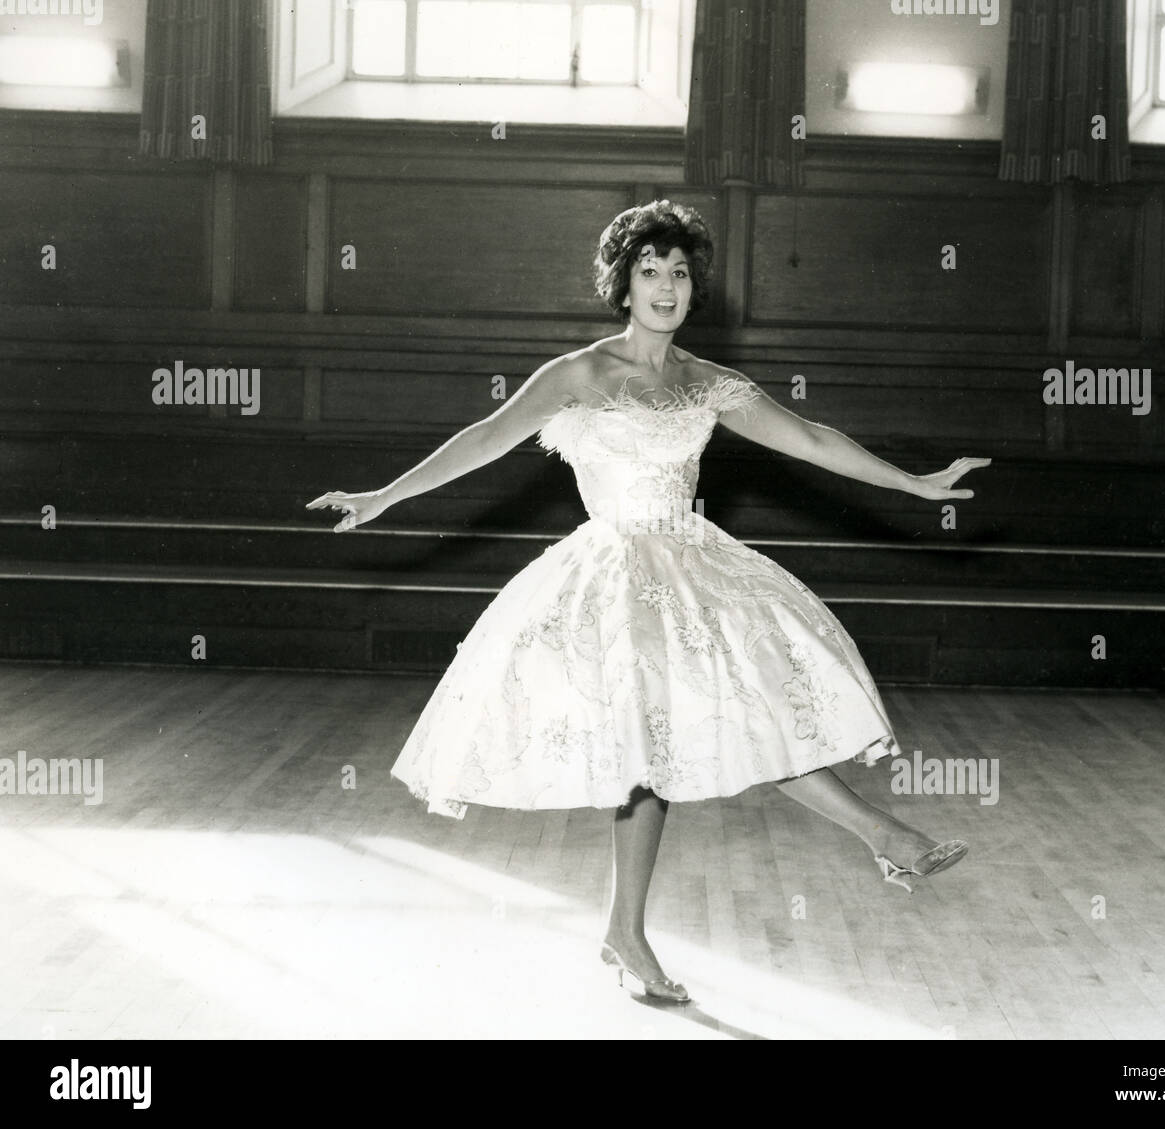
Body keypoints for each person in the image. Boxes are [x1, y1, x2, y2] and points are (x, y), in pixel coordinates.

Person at [308, 200, 990, 1005]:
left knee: (756, 710)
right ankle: (650, 922)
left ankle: (869, 841)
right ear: (622, 285)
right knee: (649, 753)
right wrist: (385, 495)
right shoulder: (581, 375)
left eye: (678, 273)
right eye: (649, 272)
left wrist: (912, 481)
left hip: (696, 569)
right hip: (613, 581)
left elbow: (809, 436)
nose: (666, 286)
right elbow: (486, 436)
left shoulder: (709, 383)